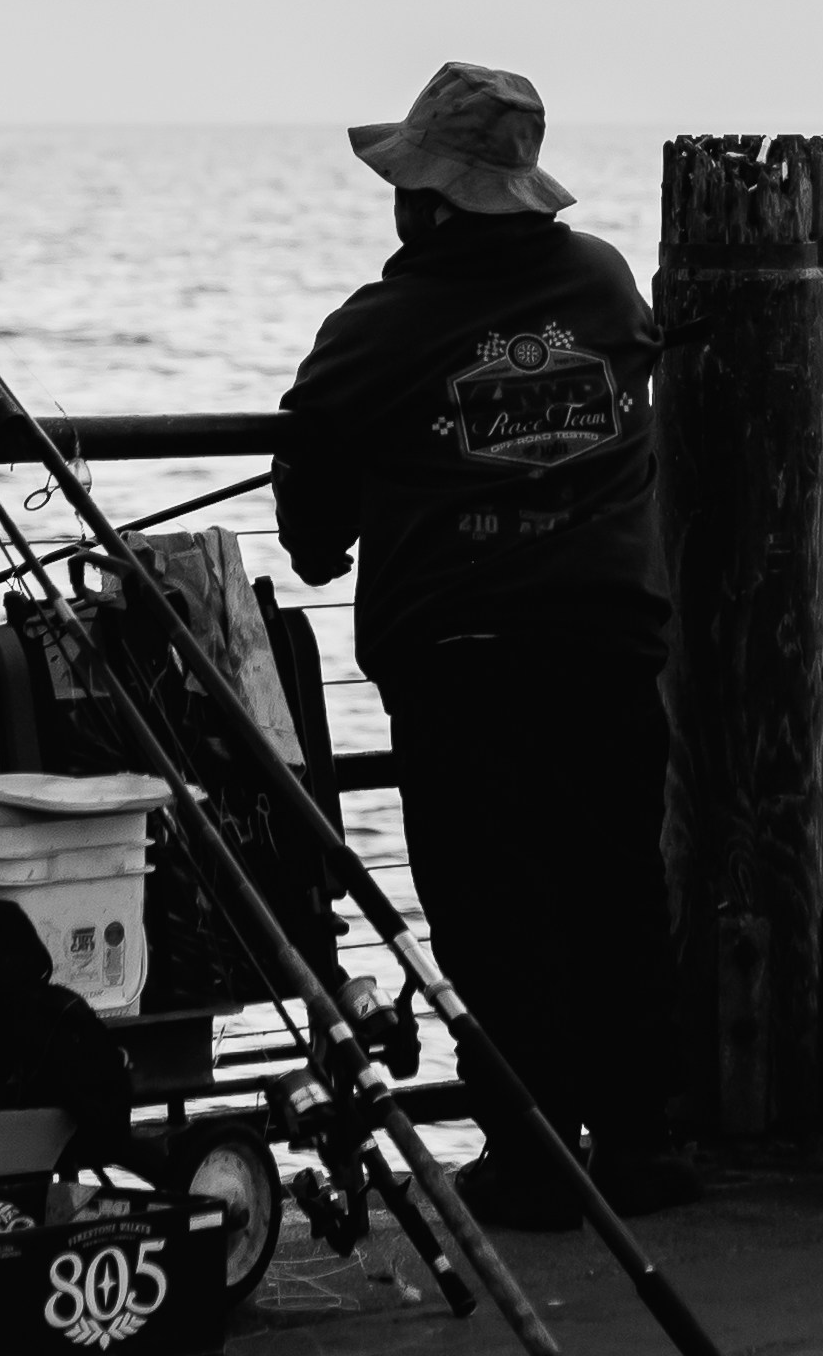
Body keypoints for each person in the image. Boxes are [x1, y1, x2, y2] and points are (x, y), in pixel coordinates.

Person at [274, 60, 687, 1230]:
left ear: (433, 200)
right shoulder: (602, 280)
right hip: (608, 641)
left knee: (496, 912)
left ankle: (537, 1156)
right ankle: (644, 1146)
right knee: (616, 888)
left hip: (466, 659)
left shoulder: (383, 323)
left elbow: (312, 483)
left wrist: (324, 535)